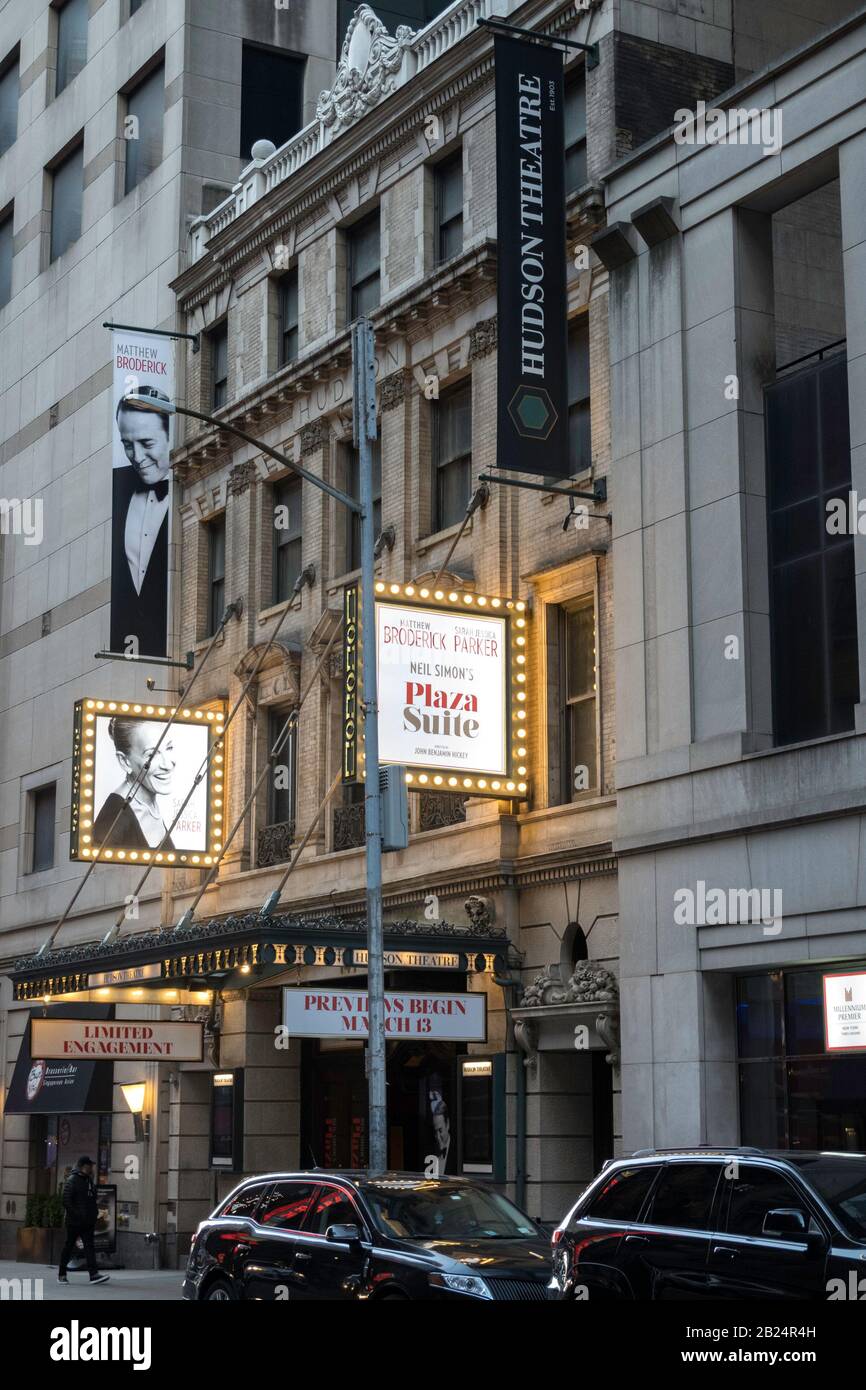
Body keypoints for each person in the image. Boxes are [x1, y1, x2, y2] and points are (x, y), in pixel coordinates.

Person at [110, 387, 171, 658]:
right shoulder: (119, 488)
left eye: (147, 443)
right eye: (126, 444)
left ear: (172, 435)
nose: (136, 456)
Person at [92, 717, 177, 850]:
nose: (168, 764)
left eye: (169, 747)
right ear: (124, 761)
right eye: (152, 754)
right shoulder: (115, 815)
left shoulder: (149, 804)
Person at [58, 1157, 109, 1285]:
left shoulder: (89, 1180)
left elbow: (92, 1198)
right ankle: (62, 1274)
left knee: (89, 1247)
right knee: (69, 1247)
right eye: (90, 1166)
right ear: (83, 1166)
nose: (92, 1168)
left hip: (88, 1221)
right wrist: (77, 1214)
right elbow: (66, 1201)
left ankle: (93, 1275)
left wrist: (94, 1213)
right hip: (74, 1222)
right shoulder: (72, 1180)